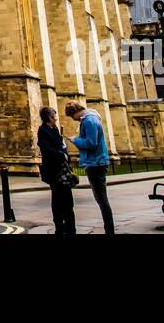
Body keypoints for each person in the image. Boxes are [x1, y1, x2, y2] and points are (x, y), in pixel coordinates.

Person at [65, 100, 115, 234]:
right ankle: (109, 229)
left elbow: (91, 143)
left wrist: (75, 140)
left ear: (75, 112)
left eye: (71, 116)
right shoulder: (90, 118)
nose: (73, 119)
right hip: (96, 162)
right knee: (101, 199)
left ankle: (109, 230)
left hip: (95, 163)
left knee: (102, 199)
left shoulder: (88, 121)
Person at [37, 107, 76, 236]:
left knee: (68, 200)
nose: (56, 118)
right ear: (49, 118)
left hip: (62, 168)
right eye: (54, 116)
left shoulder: (55, 129)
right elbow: (46, 149)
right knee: (58, 200)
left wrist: (66, 155)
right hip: (53, 171)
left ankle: (71, 227)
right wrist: (61, 155)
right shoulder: (43, 130)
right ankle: (59, 226)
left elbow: (61, 146)